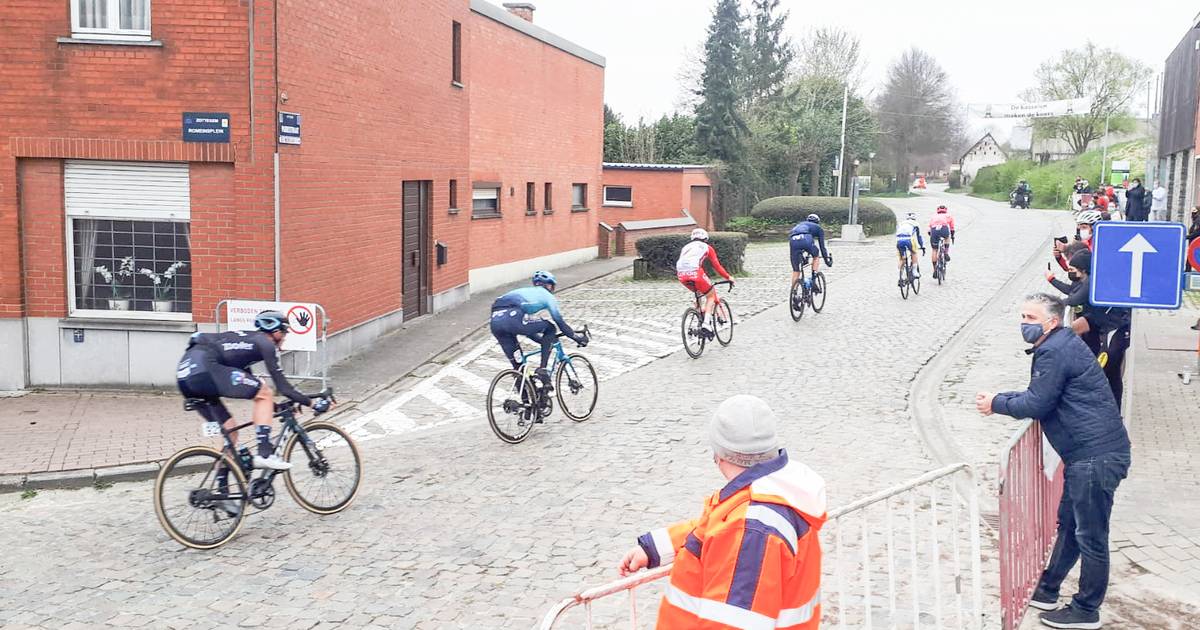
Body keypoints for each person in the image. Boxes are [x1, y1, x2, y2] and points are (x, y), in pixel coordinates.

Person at [976, 293, 1131, 630]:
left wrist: (996, 403)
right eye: (1022, 316)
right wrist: (1003, 398)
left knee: (1091, 535)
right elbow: (1042, 393)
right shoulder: (1061, 345)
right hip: (1088, 455)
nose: (1024, 324)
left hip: (1096, 456)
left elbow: (1037, 403)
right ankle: (1048, 589)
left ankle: (1086, 609)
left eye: (1031, 318)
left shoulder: (1055, 350)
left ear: (1052, 322)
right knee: (1071, 525)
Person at [618, 394, 826, 630]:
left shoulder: (751, 530)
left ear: (719, 454)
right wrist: (656, 547)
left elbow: (732, 623)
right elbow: (716, 526)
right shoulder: (771, 497)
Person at [176, 311, 333, 473]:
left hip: (185, 376)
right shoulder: (265, 343)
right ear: (275, 330)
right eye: (284, 331)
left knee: (231, 433)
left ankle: (220, 492)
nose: (285, 336)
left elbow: (249, 385)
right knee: (264, 391)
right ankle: (264, 453)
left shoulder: (245, 344)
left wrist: (277, 408)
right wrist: (313, 404)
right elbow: (283, 387)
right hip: (204, 367)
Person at [1046, 250, 1132, 406]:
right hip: (1104, 322)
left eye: (1072, 270)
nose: (1070, 273)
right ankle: (1113, 409)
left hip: (1115, 328)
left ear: (1083, 270)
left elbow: (1073, 299)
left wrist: (1048, 308)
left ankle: (1102, 408)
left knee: (1102, 371)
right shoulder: (1087, 281)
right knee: (1112, 375)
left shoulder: (1092, 282)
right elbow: (1074, 295)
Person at [490, 271, 588, 390]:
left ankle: (526, 403)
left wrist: (544, 342)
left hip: (495, 321)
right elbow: (560, 323)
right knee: (550, 328)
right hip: (513, 317)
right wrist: (577, 338)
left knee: (519, 367)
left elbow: (526, 329)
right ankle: (543, 369)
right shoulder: (548, 296)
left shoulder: (525, 291)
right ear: (549, 286)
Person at [677, 228, 734, 336]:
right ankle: (706, 324)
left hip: (681, 275)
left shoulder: (686, 247)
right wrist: (728, 277)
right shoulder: (707, 247)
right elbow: (717, 266)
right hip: (696, 272)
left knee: (698, 293)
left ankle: (699, 314)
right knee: (710, 295)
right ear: (705, 239)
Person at [788, 213, 831, 292]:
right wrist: (827, 261)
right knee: (816, 255)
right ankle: (814, 277)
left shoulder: (800, 224)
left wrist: (803, 258)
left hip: (793, 239)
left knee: (796, 270)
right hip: (806, 238)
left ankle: (794, 293)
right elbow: (822, 247)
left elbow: (797, 241)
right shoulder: (818, 228)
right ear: (817, 222)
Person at [895, 211, 925, 285]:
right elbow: (919, 237)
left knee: (903, 258)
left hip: (899, 240)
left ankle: (900, 276)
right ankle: (914, 271)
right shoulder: (916, 224)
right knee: (914, 252)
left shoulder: (901, 223)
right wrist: (922, 246)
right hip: (908, 239)